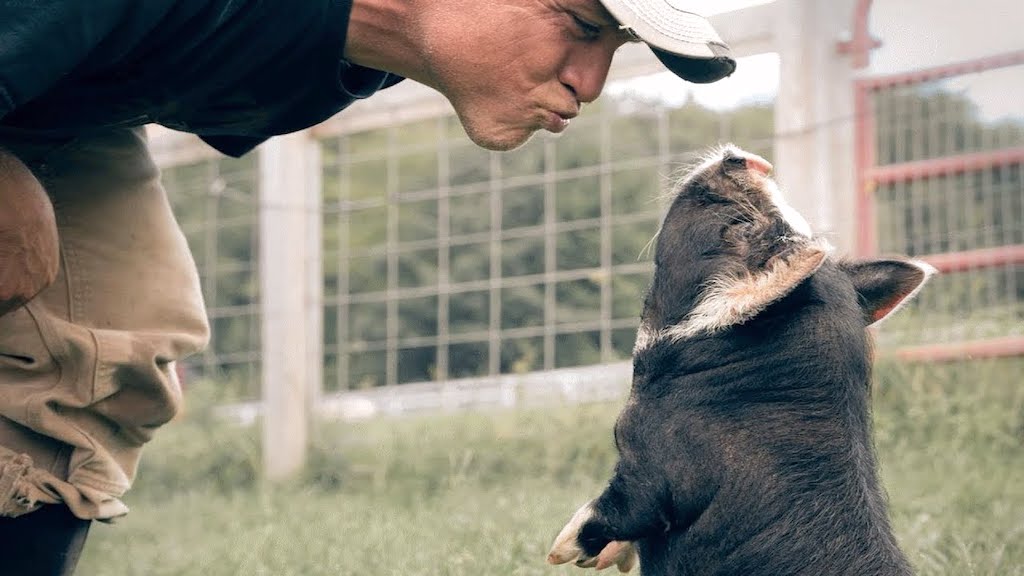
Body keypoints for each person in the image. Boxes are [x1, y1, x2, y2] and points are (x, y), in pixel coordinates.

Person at [0, 0, 735, 572]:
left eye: (615, 45)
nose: (592, 81)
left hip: (46, 104)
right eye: (580, 25)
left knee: (112, 334)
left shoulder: (351, 55)